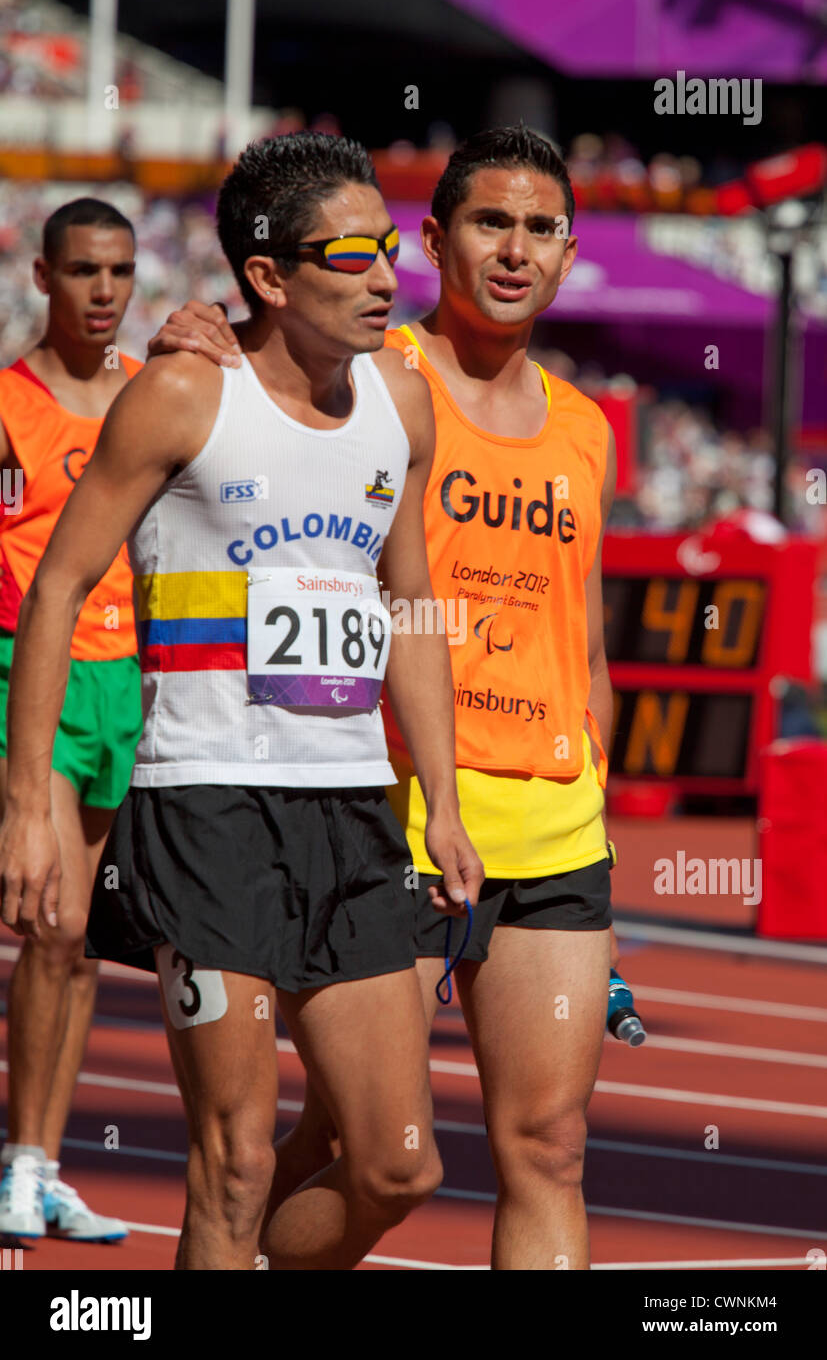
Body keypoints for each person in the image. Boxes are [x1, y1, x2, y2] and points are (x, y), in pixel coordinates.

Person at [0, 133, 483, 1271]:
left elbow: (410, 605)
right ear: (268, 276)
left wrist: (445, 804)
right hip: (207, 809)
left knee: (394, 1163)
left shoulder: (400, 407)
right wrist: (29, 803)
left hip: (352, 811)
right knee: (234, 1158)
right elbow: (57, 588)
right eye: (351, 253)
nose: (383, 277)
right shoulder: (181, 392)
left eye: (386, 250)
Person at [156, 125, 622, 1271]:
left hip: (554, 824)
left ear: (567, 253)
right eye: (487, 223)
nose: (513, 251)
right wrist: (197, 330)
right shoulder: (365, 375)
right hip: (394, 812)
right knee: (359, 1145)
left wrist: (600, 822)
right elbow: (248, 377)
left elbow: (587, 645)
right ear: (432, 239)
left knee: (548, 1146)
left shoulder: (585, 428)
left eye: (538, 229)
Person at [0, 198, 143, 1245]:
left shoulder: (153, 396)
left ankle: (36, 1166)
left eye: (120, 273)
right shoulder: (8, 402)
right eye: (84, 271)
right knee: (44, 918)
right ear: (43, 277)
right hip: (28, 670)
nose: (104, 292)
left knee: (76, 945)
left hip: (126, 683)